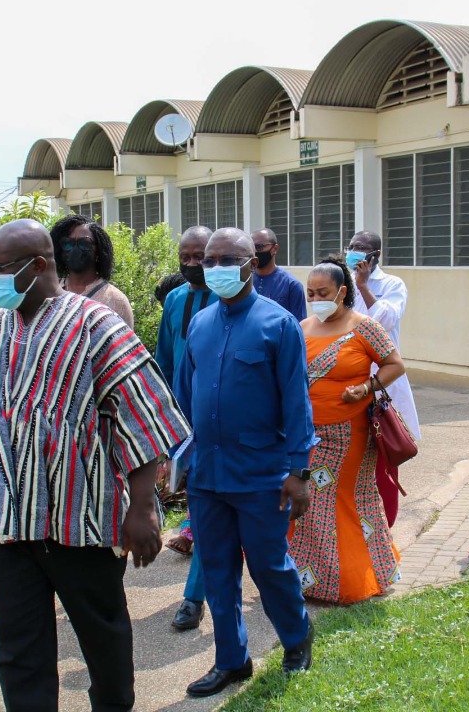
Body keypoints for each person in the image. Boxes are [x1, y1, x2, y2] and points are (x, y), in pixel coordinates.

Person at [0, 219, 190, 712]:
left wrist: (142, 509)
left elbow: (143, 412)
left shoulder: (96, 323)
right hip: (8, 524)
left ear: (38, 266)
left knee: (102, 638)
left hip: (82, 521)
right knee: (18, 647)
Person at [175, 228, 316, 697]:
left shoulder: (279, 325)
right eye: (208, 260)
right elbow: (183, 398)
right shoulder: (200, 324)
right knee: (217, 570)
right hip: (207, 475)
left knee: (268, 565)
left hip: (261, 475)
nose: (212, 267)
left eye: (224, 259)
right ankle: (232, 660)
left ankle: (296, 638)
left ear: (249, 264)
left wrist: (299, 473)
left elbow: (297, 403)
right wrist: (174, 459)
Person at [290, 257, 405, 602]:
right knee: (311, 505)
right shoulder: (301, 327)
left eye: (323, 292)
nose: (316, 298)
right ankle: (314, 578)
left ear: (342, 291)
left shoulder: (364, 326)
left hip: (348, 433)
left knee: (340, 500)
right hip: (307, 433)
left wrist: (367, 388)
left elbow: (394, 364)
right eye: (310, 292)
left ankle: (351, 578)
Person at [153, 226, 219, 632]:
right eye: (186, 257)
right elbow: (162, 360)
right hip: (182, 421)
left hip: (223, 423)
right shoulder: (175, 300)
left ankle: (194, 597)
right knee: (200, 505)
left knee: (209, 511)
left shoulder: (233, 300)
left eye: (201, 257)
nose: (193, 264)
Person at [345, 231, 421, 526]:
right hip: (349, 380)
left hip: (382, 383)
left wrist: (363, 286)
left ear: (376, 255)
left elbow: (384, 321)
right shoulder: (343, 282)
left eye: (361, 248)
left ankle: (385, 529)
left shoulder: (393, 285)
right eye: (351, 247)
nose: (354, 252)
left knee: (383, 463)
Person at [49, 213, 134, 327]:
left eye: (84, 243)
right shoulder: (50, 295)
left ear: (98, 250)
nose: (75, 249)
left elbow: (124, 343)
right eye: (68, 243)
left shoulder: (116, 300)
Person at [251, 227, 306, 321]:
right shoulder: (244, 281)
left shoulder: (291, 285)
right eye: (251, 247)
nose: (255, 252)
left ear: (275, 249)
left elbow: (299, 325)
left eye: (259, 247)